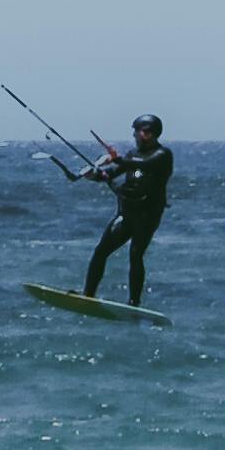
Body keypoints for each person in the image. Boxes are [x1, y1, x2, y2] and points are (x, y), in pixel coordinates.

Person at [81, 115, 173, 308]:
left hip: (147, 216)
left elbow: (143, 165)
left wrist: (117, 159)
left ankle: (134, 303)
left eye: (136, 132)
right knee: (101, 251)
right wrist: (96, 175)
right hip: (126, 213)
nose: (134, 136)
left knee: (135, 255)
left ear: (146, 133)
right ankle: (88, 295)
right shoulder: (132, 155)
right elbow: (113, 173)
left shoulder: (162, 155)